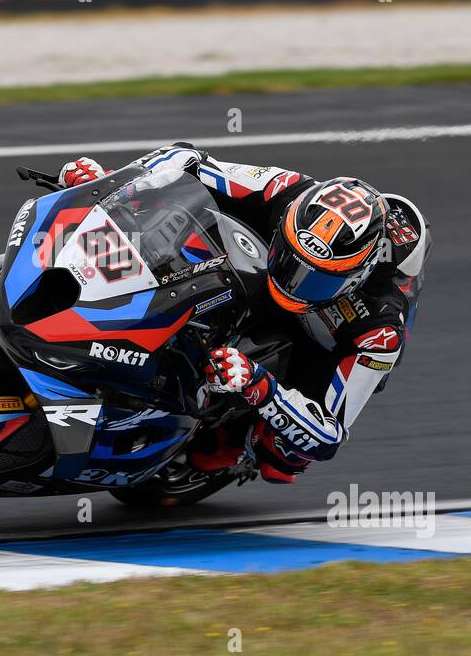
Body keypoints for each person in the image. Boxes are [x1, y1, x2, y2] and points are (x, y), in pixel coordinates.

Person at [56, 145, 429, 483]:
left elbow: (329, 435)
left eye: (315, 280)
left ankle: (235, 449)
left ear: (356, 275)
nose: (294, 282)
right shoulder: (286, 188)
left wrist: (257, 384)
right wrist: (110, 182)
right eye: (291, 259)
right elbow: (189, 160)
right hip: (247, 266)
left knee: (283, 457)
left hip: (321, 345)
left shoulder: (381, 329)